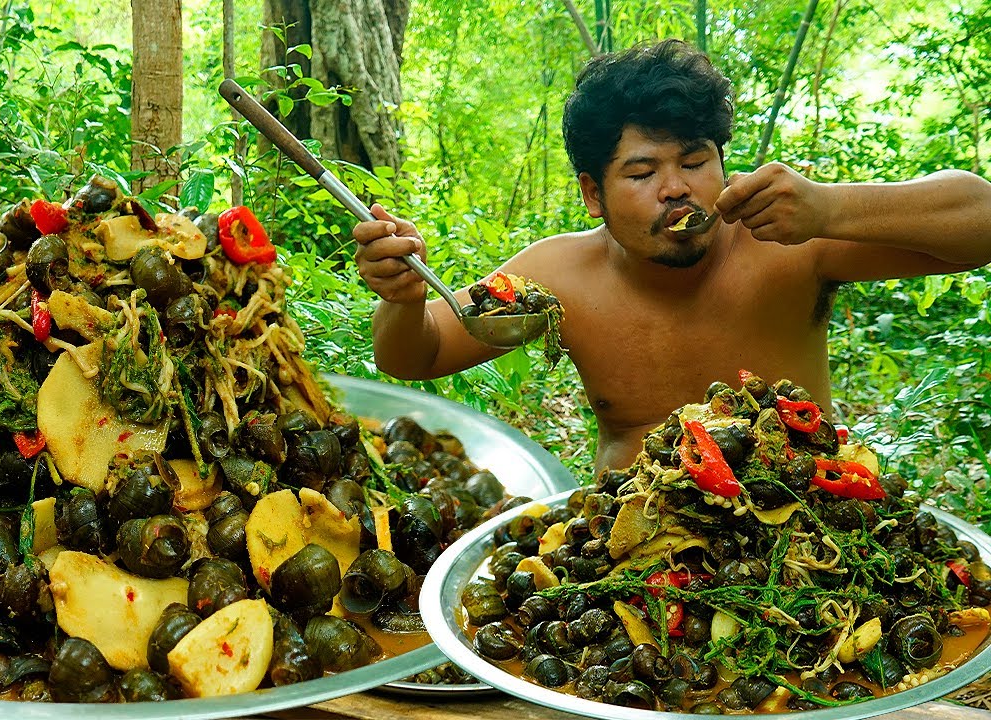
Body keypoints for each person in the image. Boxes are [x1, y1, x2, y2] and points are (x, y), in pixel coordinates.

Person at [352, 39, 991, 476]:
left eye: (694, 161)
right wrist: (402, 298)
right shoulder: (555, 276)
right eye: (641, 171)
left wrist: (833, 209)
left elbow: (981, 221)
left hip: (809, 528)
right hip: (627, 553)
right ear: (592, 194)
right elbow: (416, 355)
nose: (677, 187)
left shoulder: (796, 240)